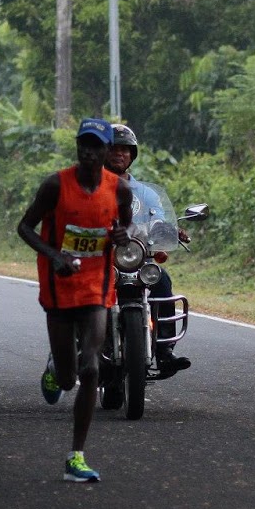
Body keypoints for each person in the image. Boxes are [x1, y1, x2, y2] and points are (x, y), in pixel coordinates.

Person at [14, 117, 133, 483]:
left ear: (107, 150)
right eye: (84, 144)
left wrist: (119, 236)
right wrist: (54, 256)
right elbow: (25, 227)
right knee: (68, 379)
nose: (89, 151)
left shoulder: (119, 190)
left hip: (97, 287)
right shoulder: (55, 185)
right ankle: (54, 371)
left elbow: (126, 226)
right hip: (59, 287)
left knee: (91, 368)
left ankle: (76, 456)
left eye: (96, 145)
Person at [105, 123, 190, 376]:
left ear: (132, 155)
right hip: (101, 261)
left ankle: (164, 351)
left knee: (162, 280)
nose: (120, 154)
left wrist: (171, 231)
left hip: (137, 260)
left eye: (125, 150)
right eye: (114, 148)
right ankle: (79, 347)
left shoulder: (147, 194)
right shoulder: (91, 189)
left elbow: (157, 221)